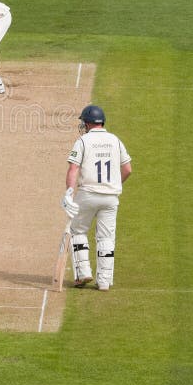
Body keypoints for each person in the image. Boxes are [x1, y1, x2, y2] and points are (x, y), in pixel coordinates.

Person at [61, 105, 132, 291]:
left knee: (78, 231)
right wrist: (114, 186)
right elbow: (127, 169)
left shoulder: (83, 141)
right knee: (106, 238)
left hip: (88, 194)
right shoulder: (116, 140)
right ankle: (104, 281)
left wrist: (69, 192)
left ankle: (82, 273)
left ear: (88, 123)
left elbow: (73, 169)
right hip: (111, 198)